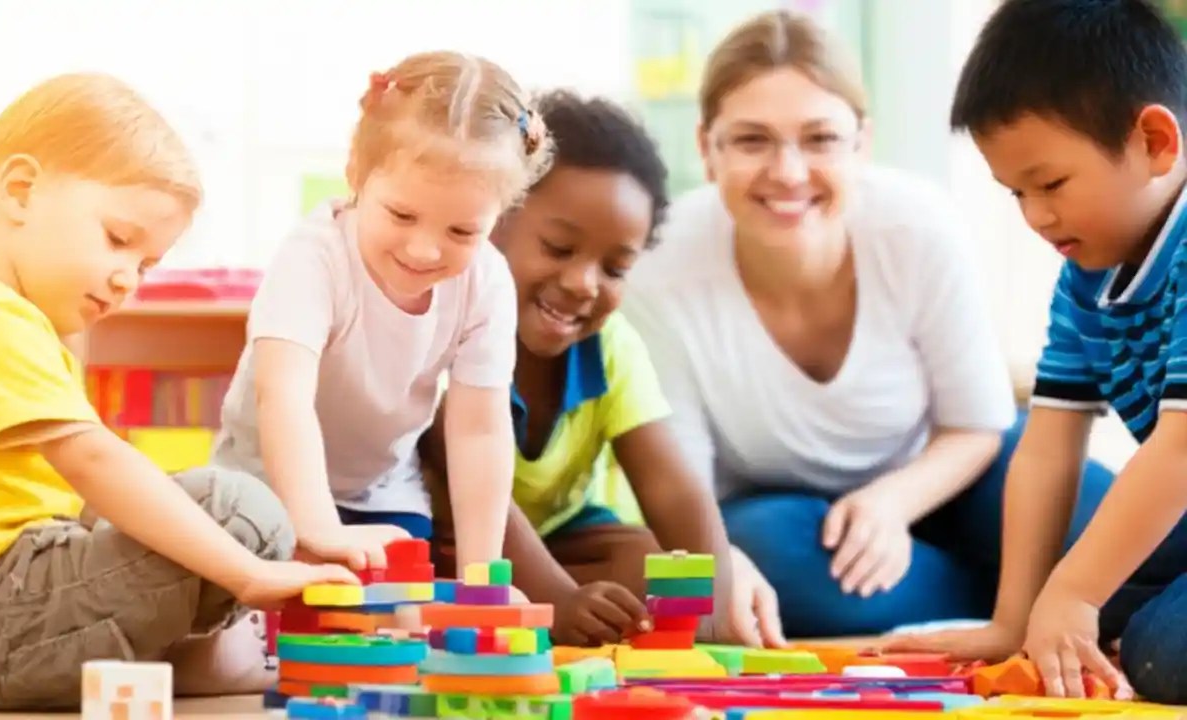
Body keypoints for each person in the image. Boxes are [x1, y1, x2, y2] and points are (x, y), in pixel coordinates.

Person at [621, 10, 1117, 639]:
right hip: (792, 520)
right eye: (752, 140)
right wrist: (719, 561)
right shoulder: (660, 264)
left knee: (1104, 525)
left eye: (821, 138)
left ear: (862, 143)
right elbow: (679, 477)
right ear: (706, 150)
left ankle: (1023, 602)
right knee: (765, 568)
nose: (789, 172)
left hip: (949, 474)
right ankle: (1010, 609)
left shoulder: (917, 226)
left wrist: (893, 502)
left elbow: (975, 425)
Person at [0, 73, 357, 711]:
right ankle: (187, 656)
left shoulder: (3, 321)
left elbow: (77, 501)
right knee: (236, 510)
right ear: (20, 190)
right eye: (118, 240)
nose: (128, 280)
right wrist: (248, 576)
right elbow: (93, 462)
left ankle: (173, 660)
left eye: (147, 266)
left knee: (231, 514)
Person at [887, 0, 1187, 704]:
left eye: (1050, 184)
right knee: (1066, 619)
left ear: (1154, 140)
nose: (1035, 216)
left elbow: (1179, 448)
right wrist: (1019, 616)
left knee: (1160, 653)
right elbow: (1049, 448)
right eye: (1015, 192)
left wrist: (1076, 594)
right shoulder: (1085, 279)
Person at [424, 90, 785, 647]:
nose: (584, 283)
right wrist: (560, 600)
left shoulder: (611, 346)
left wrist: (713, 599)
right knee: (428, 573)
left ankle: (553, 605)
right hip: (456, 540)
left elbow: (672, 487)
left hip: (561, 539)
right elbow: (470, 488)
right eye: (559, 247)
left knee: (651, 564)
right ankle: (536, 607)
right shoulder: (449, 322)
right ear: (493, 223)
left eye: (615, 268)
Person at [211, 52, 553, 578]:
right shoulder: (315, 256)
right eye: (402, 214)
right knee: (251, 621)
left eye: (462, 232)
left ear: (498, 216)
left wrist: (482, 577)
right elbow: (282, 395)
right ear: (356, 172)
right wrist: (316, 526)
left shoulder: (485, 280)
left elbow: (480, 430)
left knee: (399, 621)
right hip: (263, 487)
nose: (424, 250)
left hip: (383, 493)